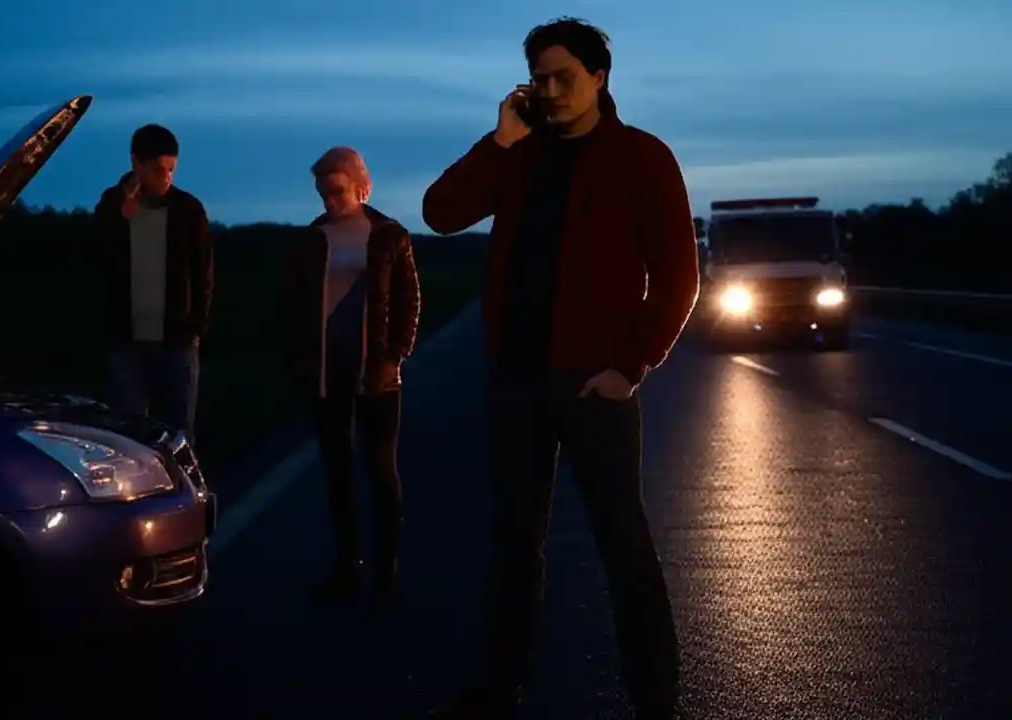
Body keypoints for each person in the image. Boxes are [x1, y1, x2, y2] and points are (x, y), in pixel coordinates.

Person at [421, 17, 700, 720]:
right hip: (516, 378)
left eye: (563, 78)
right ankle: (498, 689)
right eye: (539, 79)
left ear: (599, 77)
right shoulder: (518, 154)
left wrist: (629, 366)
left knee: (623, 543)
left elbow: (678, 277)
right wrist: (500, 140)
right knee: (514, 543)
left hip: (593, 383)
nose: (549, 91)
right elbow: (441, 211)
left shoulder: (642, 158)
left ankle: (655, 699)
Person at [283, 146, 421, 611]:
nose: (329, 201)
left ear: (361, 185)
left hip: (376, 377)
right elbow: (297, 303)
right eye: (322, 192)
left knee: (381, 472)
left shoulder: (387, 236)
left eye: (337, 191)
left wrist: (394, 356)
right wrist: (301, 361)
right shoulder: (313, 239)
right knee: (336, 474)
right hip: (327, 376)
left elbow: (409, 300)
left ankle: (387, 572)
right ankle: (347, 567)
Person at [88, 123, 214, 444]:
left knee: (179, 433)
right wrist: (122, 211)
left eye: (171, 170)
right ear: (136, 163)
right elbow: (98, 257)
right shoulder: (111, 205)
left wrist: (196, 327)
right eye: (160, 169)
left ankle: (185, 493)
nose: (167, 177)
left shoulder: (188, 209)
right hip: (126, 340)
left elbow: (203, 273)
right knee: (127, 433)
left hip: (176, 339)